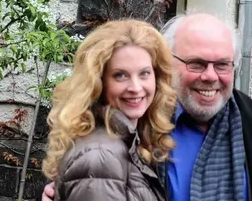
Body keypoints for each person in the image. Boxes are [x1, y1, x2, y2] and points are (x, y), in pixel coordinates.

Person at [43, 13, 252, 201]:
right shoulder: (139, 119)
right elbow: (84, 179)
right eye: (196, 63)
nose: (210, 76)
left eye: (222, 64)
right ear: (169, 63)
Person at [43, 19, 177, 201]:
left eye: (144, 73)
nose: (136, 87)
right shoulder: (99, 158)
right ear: (99, 83)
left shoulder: (127, 142)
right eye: (120, 75)